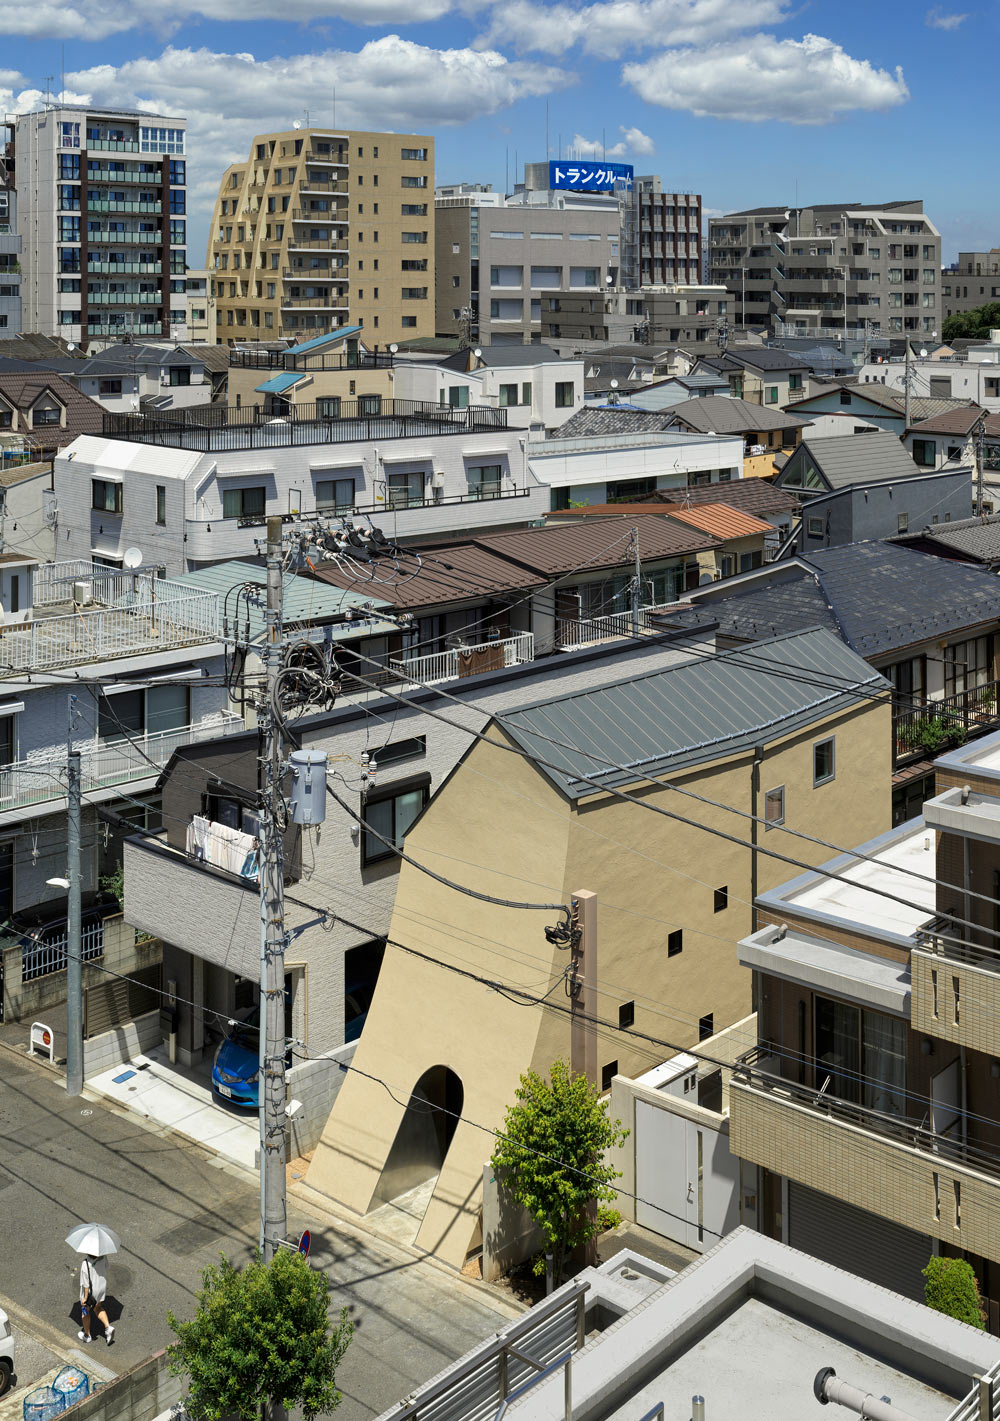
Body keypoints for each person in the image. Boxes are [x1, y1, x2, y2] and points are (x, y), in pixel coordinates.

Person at [78, 1253, 114, 1346]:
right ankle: (108, 1328)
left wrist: (85, 1298)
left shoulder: (85, 1264)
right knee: (98, 1308)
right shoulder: (103, 1256)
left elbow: (85, 1284)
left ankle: (87, 1335)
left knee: (85, 1312)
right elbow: (106, 1267)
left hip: (91, 1292)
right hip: (101, 1287)